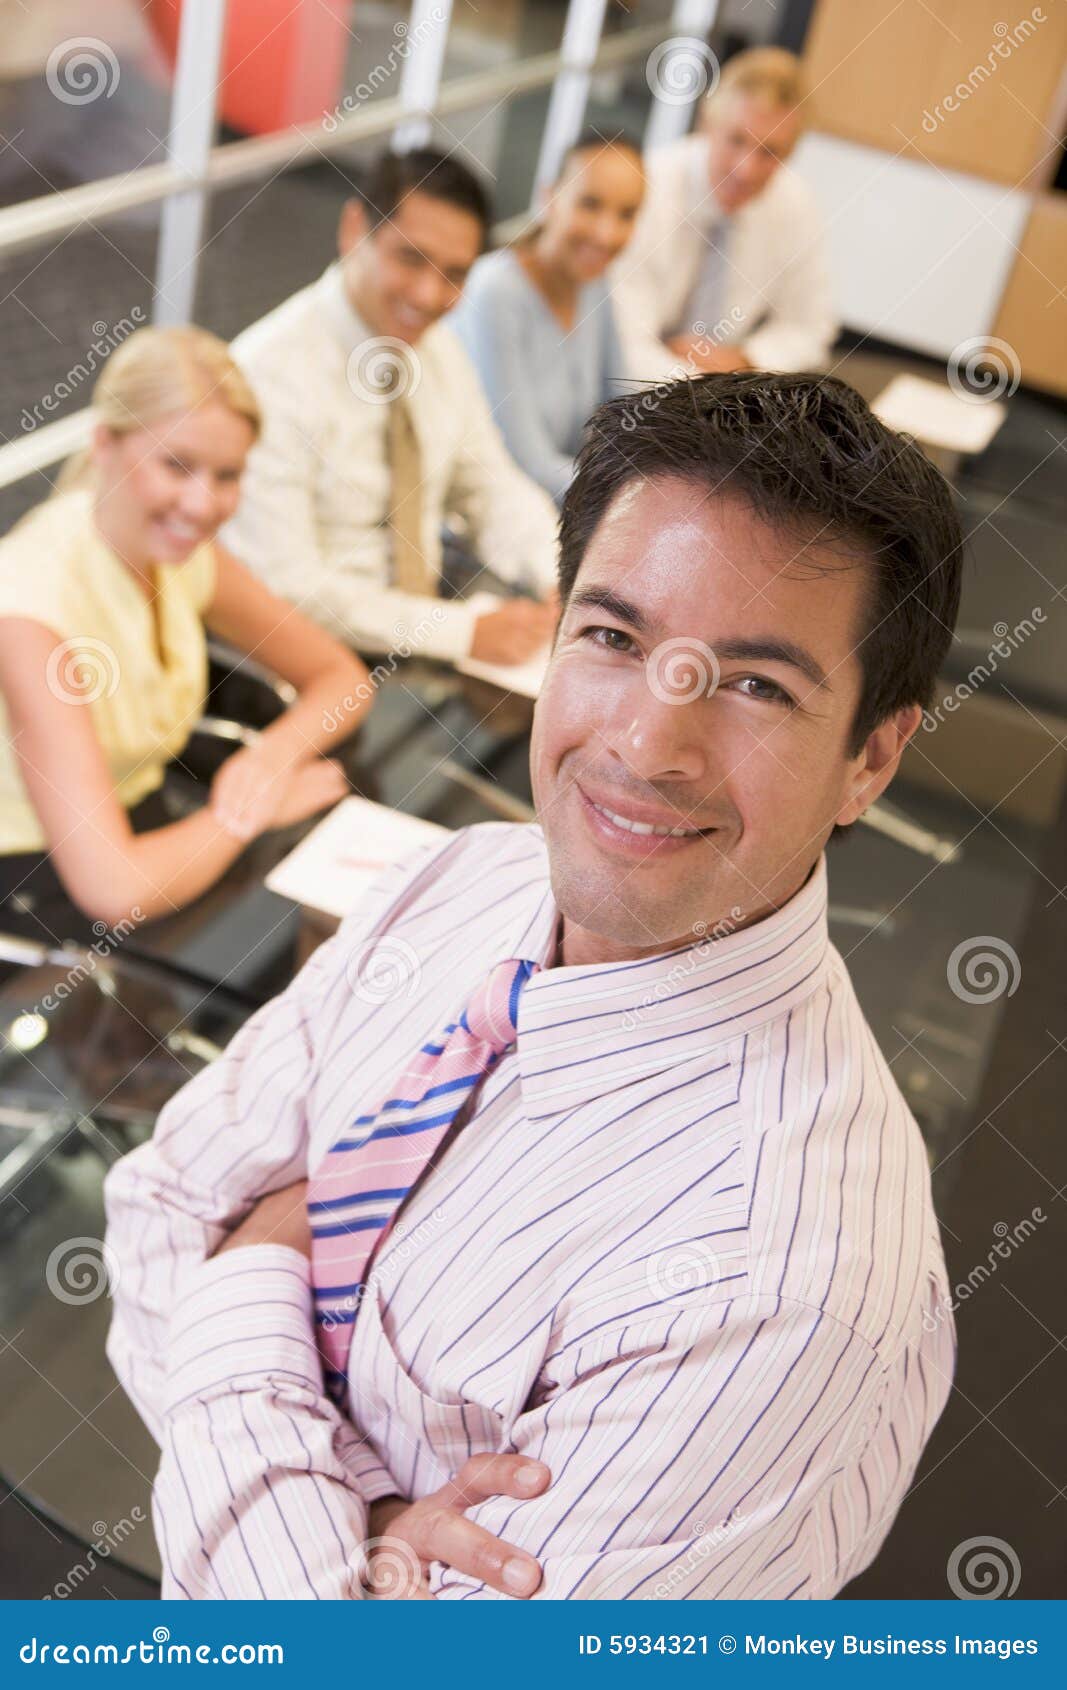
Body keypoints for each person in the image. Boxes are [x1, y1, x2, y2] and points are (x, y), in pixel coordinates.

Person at [105, 372, 959, 1600]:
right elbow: (153, 1212)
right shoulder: (464, 875)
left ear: (868, 757)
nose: (644, 744)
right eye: (613, 639)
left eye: (755, 685)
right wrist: (375, 1514)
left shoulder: (782, 1282)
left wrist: (255, 1254)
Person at [0, 326, 370, 942]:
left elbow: (343, 678)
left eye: (227, 475)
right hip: (35, 890)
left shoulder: (178, 550)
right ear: (104, 444)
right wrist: (248, 811)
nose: (203, 505)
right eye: (177, 465)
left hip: (144, 830)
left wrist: (270, 761)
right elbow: (115, 891)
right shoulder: (30, 612)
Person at [224, 147, 559, 669]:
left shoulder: (436, 350)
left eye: (454, 274)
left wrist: (557, 574)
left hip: (424, 637)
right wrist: (461, 632)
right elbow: (286, 585)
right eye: (411, 259)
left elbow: (490, 486)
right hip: (311, 657)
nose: (428, 296)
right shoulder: (266, 375)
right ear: (354, 230)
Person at [614, 47, 838, 382]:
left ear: (791, 153)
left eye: (770, 152)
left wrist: (746, 360)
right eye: (736, 140)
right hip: (635, 387)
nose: (746, 170)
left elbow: (810, 327)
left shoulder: (794, 204)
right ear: (707, 124)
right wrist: (709, 388)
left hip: (726, 388)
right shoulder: (647, 188)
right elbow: (624, 342)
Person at [450, 131, 645, 507]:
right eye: (590, 204)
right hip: (500, 512)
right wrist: (631, 500)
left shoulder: (593, 282)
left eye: (627, 214)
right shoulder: (496, 292)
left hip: (570, 501)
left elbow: (626, 409)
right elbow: (528, 463)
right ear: (549, 197)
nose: (606, 234)